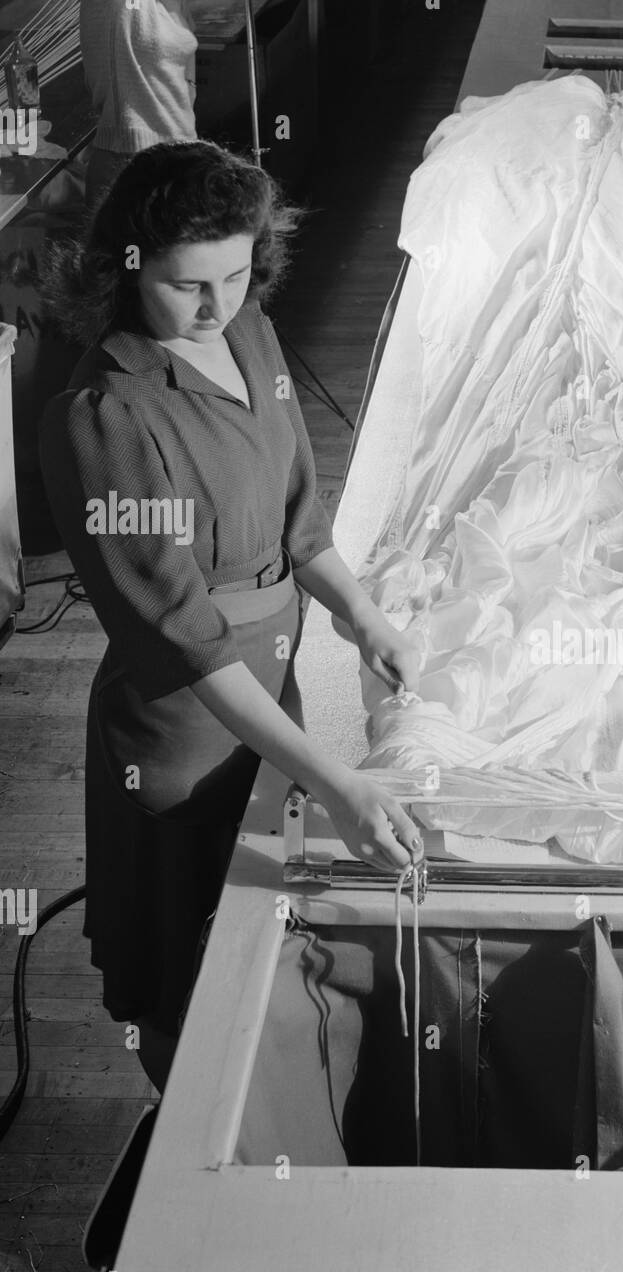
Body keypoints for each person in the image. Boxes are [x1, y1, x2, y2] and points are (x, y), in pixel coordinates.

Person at [38, 141, 423, 1090]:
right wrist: (335, 779)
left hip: (270, 695)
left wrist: (363, 618)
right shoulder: (105, 415)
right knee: (178, 967)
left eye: (238, 273)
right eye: (185, 286)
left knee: (253, 927)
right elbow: (182, 638)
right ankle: (182, 1141)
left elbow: (299, 521)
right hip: (181, 726)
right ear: (126, 269)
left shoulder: (249, 333)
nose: (215, 308)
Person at [79, 0, 199, 209]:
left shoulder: (175, 6)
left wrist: (190, 83)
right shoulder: (124, 8)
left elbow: (186, 46)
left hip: (182, 159)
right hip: (131, 166)